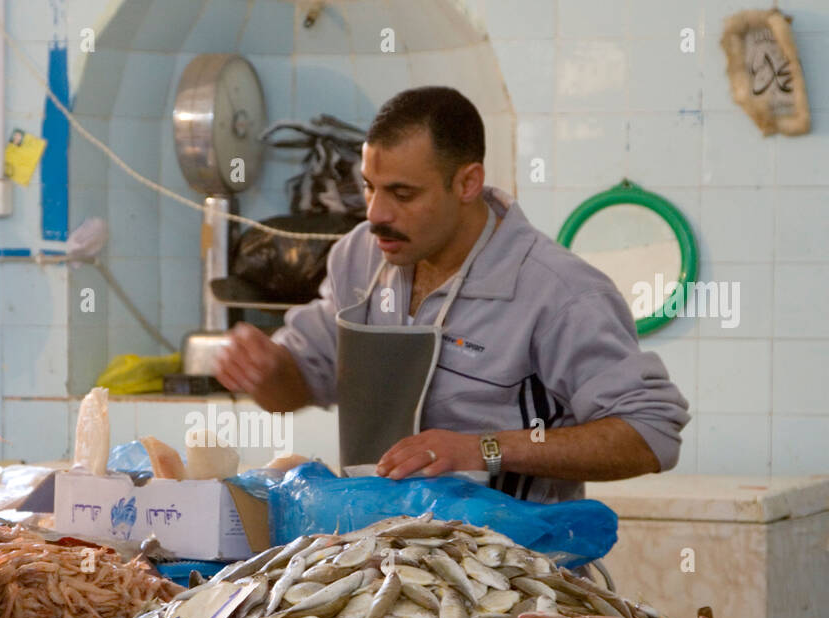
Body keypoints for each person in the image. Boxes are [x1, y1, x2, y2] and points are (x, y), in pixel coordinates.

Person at [214, 86, 690, 503]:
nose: (376, 213)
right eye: (369, 187)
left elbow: (649, 434)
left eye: (402, 194)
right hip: (376, 563)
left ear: (467, 183)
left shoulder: (557, 291)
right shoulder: (357, 257)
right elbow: (297, 387)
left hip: (512, 575)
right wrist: (269, 371)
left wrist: (480, 449)